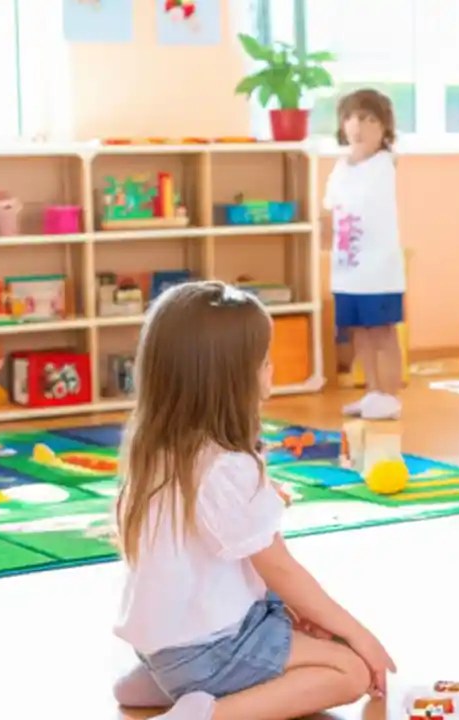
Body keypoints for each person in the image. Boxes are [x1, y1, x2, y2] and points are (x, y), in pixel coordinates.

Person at [110, 281, 395, 720]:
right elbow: (281, 570)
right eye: (264, 362)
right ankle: (204, 712)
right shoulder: (228, 468)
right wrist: (360, 635)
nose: (270, 370)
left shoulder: (158, 449)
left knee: (307, 633)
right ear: (232, 381)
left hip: (160, 644)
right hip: (208, 649)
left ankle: (161, 685)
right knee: (349, 671)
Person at [325, 88, 406, 420]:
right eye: (353, 118)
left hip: (378, 270)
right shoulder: (341, 167)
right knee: (359, 331)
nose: (359, 126)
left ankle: (389, 394)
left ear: (384, 128)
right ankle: (372, 392)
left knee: (382, 331)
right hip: (347, 269)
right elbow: (330, 208)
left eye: (369, 119)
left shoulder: (384, 163)